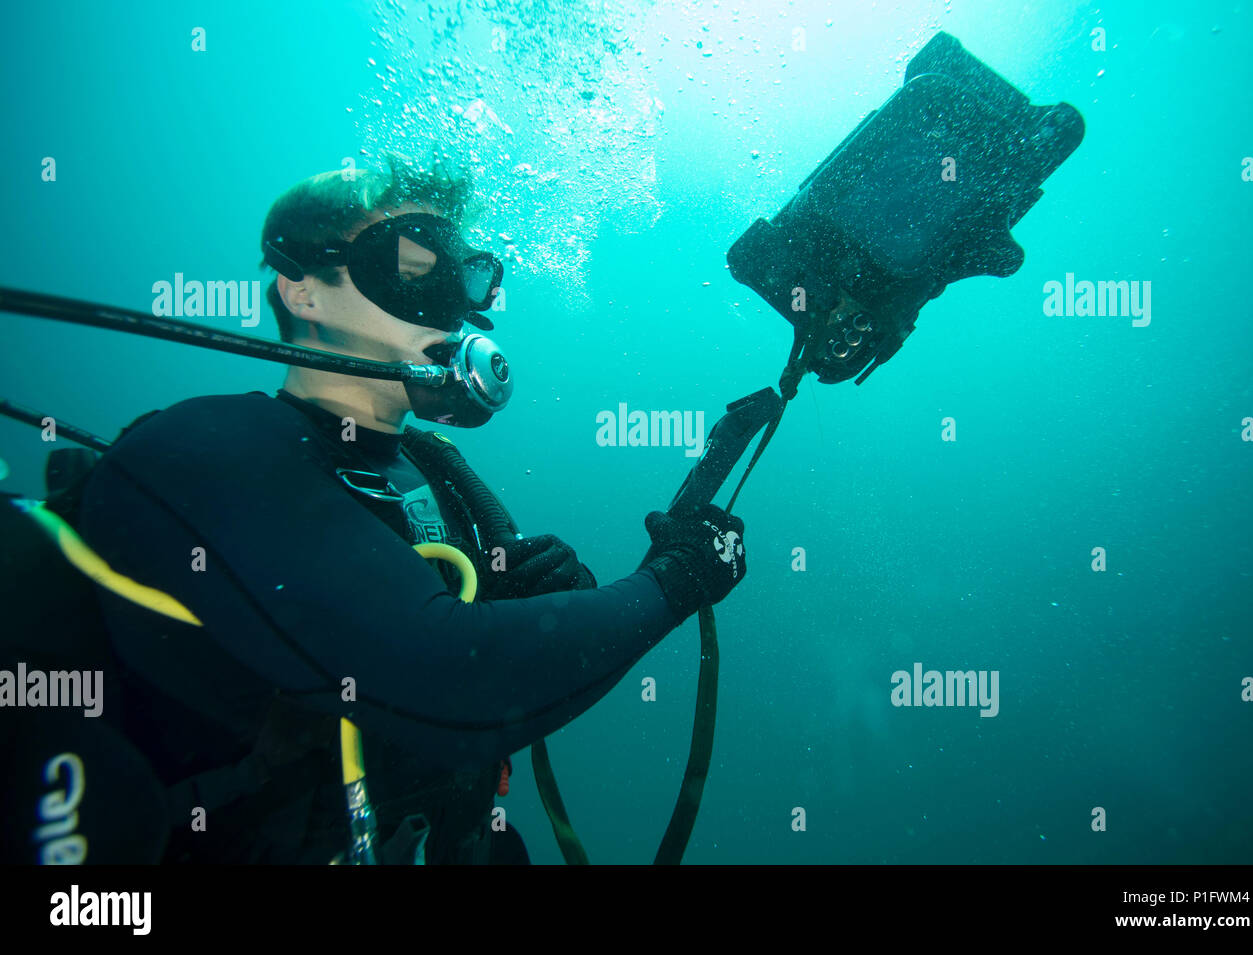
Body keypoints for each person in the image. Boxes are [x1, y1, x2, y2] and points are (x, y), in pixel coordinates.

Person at [74, 156, 748, 864]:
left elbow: (490, 670)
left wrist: (531, 604)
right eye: (414, 261)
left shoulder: (438, 470)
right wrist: (673, 582)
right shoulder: (207, 450)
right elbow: (455, 676)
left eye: (464, 272)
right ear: (302, 289)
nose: (451, 298)